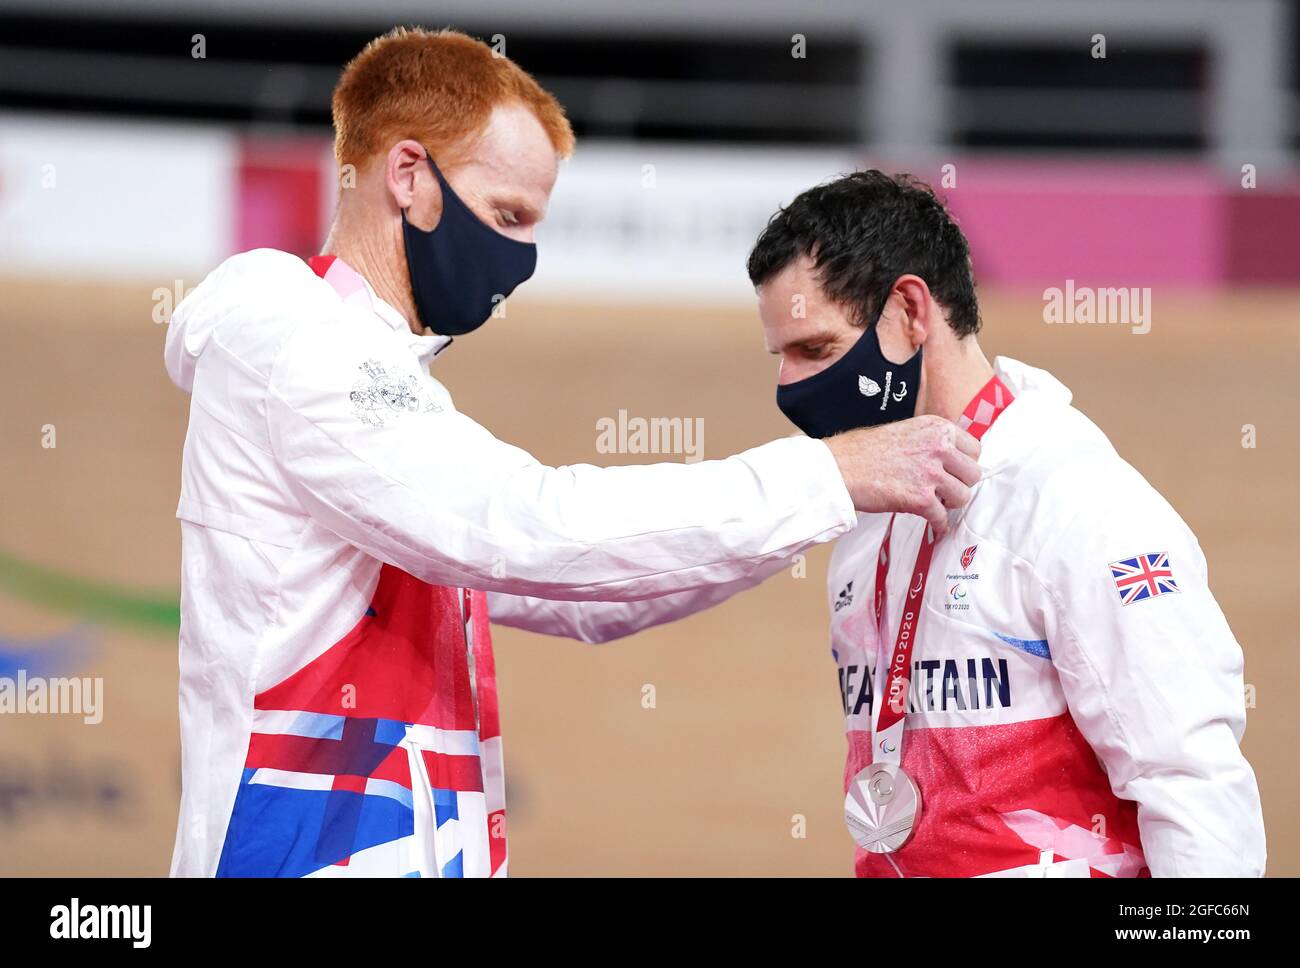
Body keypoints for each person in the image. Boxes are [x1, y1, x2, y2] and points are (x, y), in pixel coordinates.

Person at [162, 29, 979, 878]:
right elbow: (526, 528)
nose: (520, 260)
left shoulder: (381, 387)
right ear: (409, 177)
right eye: (507, 216)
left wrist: (826, 501)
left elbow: (587, 598)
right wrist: (827, 475)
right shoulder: (299, 340)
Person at [745, 171, 1266, 877]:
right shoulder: (870, 509)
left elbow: (1192, 786)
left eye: (816, 350)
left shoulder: (1080, 505)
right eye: (780, 358)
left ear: (908, 311)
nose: (791, 387)